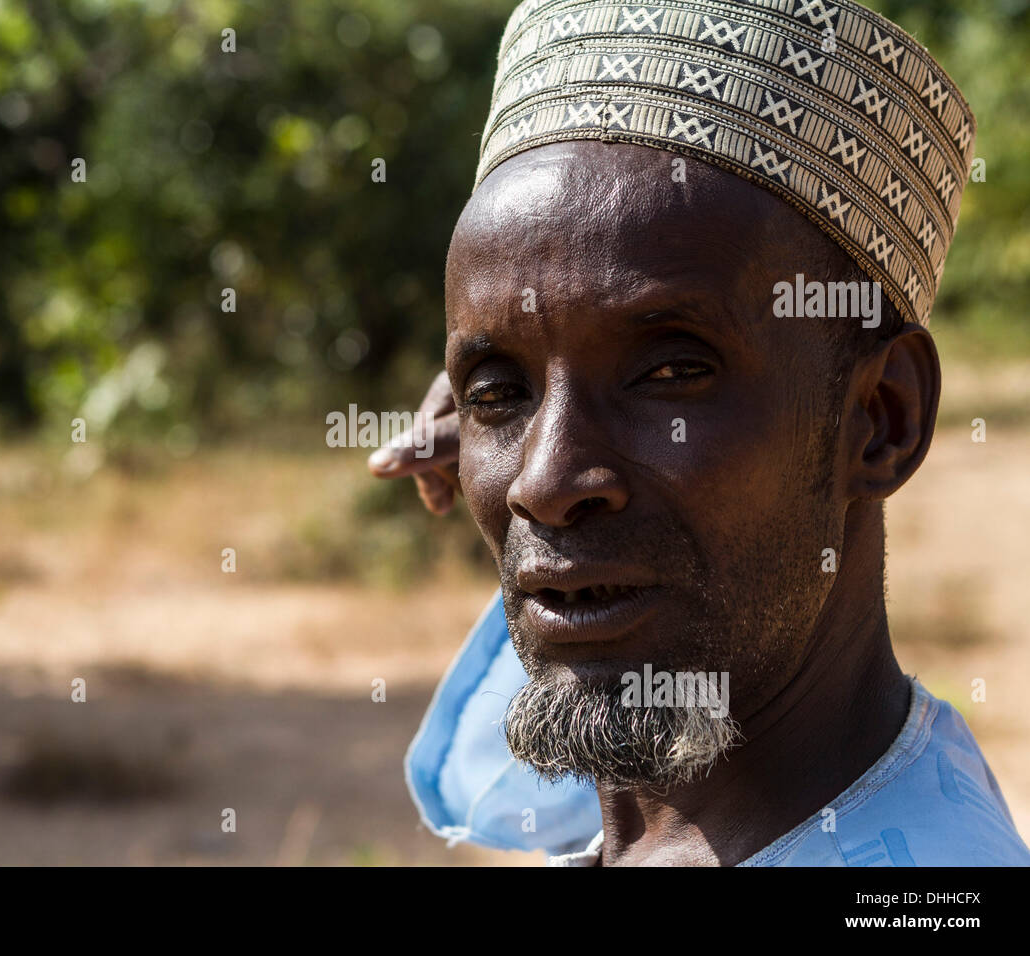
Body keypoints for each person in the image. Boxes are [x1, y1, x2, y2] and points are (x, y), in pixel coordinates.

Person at [369, 0, 1030, 866]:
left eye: (673, 371)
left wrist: (535, 399)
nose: (543, 482)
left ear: (881, 420)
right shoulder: (674, 800)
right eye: (500, 388)